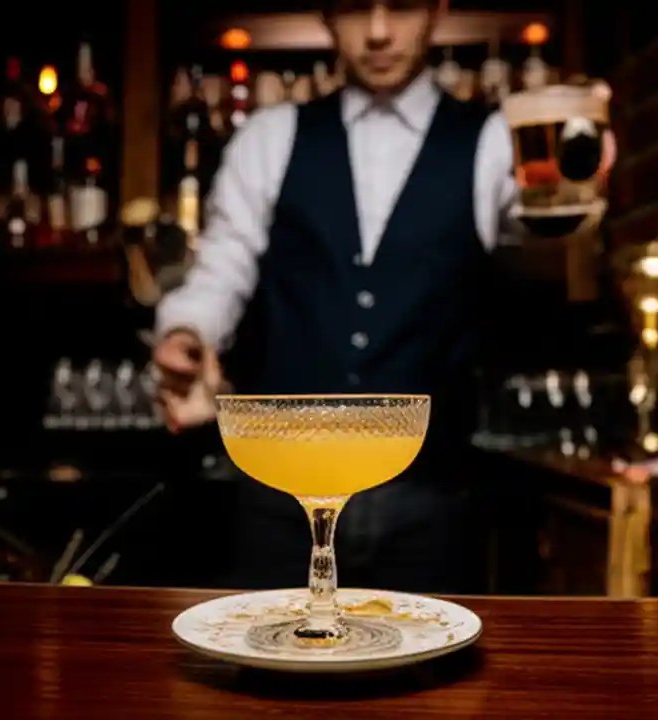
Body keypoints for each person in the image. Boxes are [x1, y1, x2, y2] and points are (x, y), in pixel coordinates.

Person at [154, 0, 519, 594]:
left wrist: (573, 178)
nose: (378, 33)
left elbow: (543, 239)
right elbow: (222, 266)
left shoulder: (496, 142)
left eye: (399, 6)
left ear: (437, 11)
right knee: (267, 670)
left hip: (432, 496)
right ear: (326, 17)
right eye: (355, 9)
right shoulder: (270, 136)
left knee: (429, 676)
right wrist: (188, 332)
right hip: (281, 493)